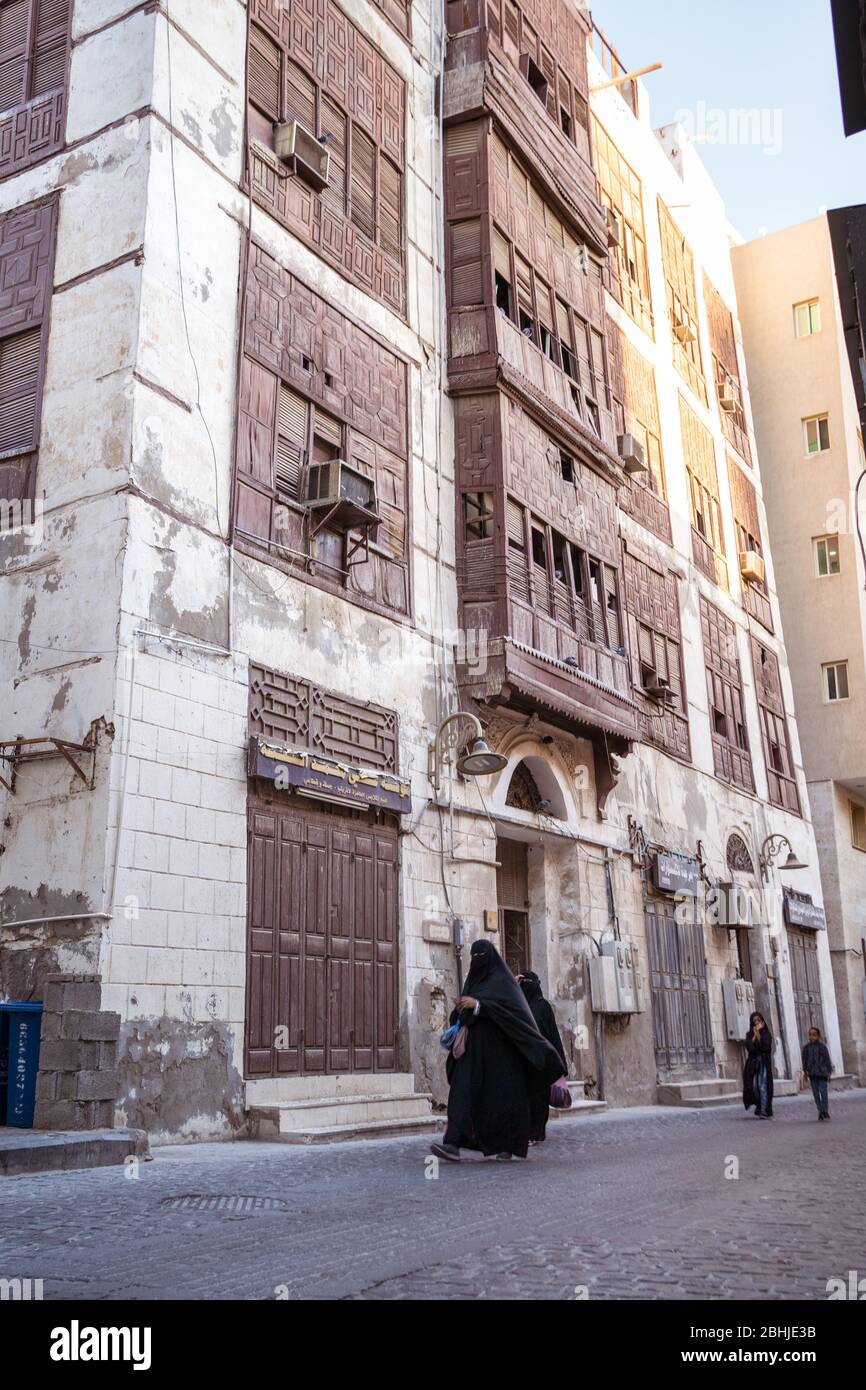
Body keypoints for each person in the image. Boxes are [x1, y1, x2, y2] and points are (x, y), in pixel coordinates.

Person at [431, 940, 563, 1163]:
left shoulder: (504, 984)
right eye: (473, 956)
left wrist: (480, 1006)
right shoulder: (472, 981)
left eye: (480, 955)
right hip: (472, 1053)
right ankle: (452, 1144)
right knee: (461, 1094)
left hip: (501, 1056)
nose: (476, 960)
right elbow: (462, 1016)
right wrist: (462, 1008)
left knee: (503, 1101)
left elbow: (513, 1016)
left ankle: (507, 1145)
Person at [518, 971, 568, 1143]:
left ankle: (536, 1132)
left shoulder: (543, 1006)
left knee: (539, 1099)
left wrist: (560, 1064)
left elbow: (553, 1035)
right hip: (523, 1060)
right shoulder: (518, 1005)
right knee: (526, 1098)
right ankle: (527, 1132)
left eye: (526, 982)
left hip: (541, 1062)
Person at [742, 1011, 774, 1119]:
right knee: (754, 1087)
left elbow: (765, 1047)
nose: (756, 1023)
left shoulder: (766, 1034)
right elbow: (750, 1047)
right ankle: (759, 1106)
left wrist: (759, 1035)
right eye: (754, 1021)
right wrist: (755, 1036)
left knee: (762, 1086)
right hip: (753, 1064)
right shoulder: (749, 1034)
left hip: (763, 1063)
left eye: (758, 1020)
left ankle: (764, 1110)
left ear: (762, 1022)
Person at [802, 1026, 833, 1120]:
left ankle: (825, 1110)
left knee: (823, 1092)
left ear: (818, 1036)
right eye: (810, 1035)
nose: (812, 1037)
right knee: (815, 1094)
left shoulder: (823, 1047)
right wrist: (805, 1072)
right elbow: (804, 1061)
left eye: (814, 1035)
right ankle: (820, 1110)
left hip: (822, 1074)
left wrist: (829, 1072)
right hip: (812, 1074)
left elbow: (827, 1060)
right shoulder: (806, 1048)